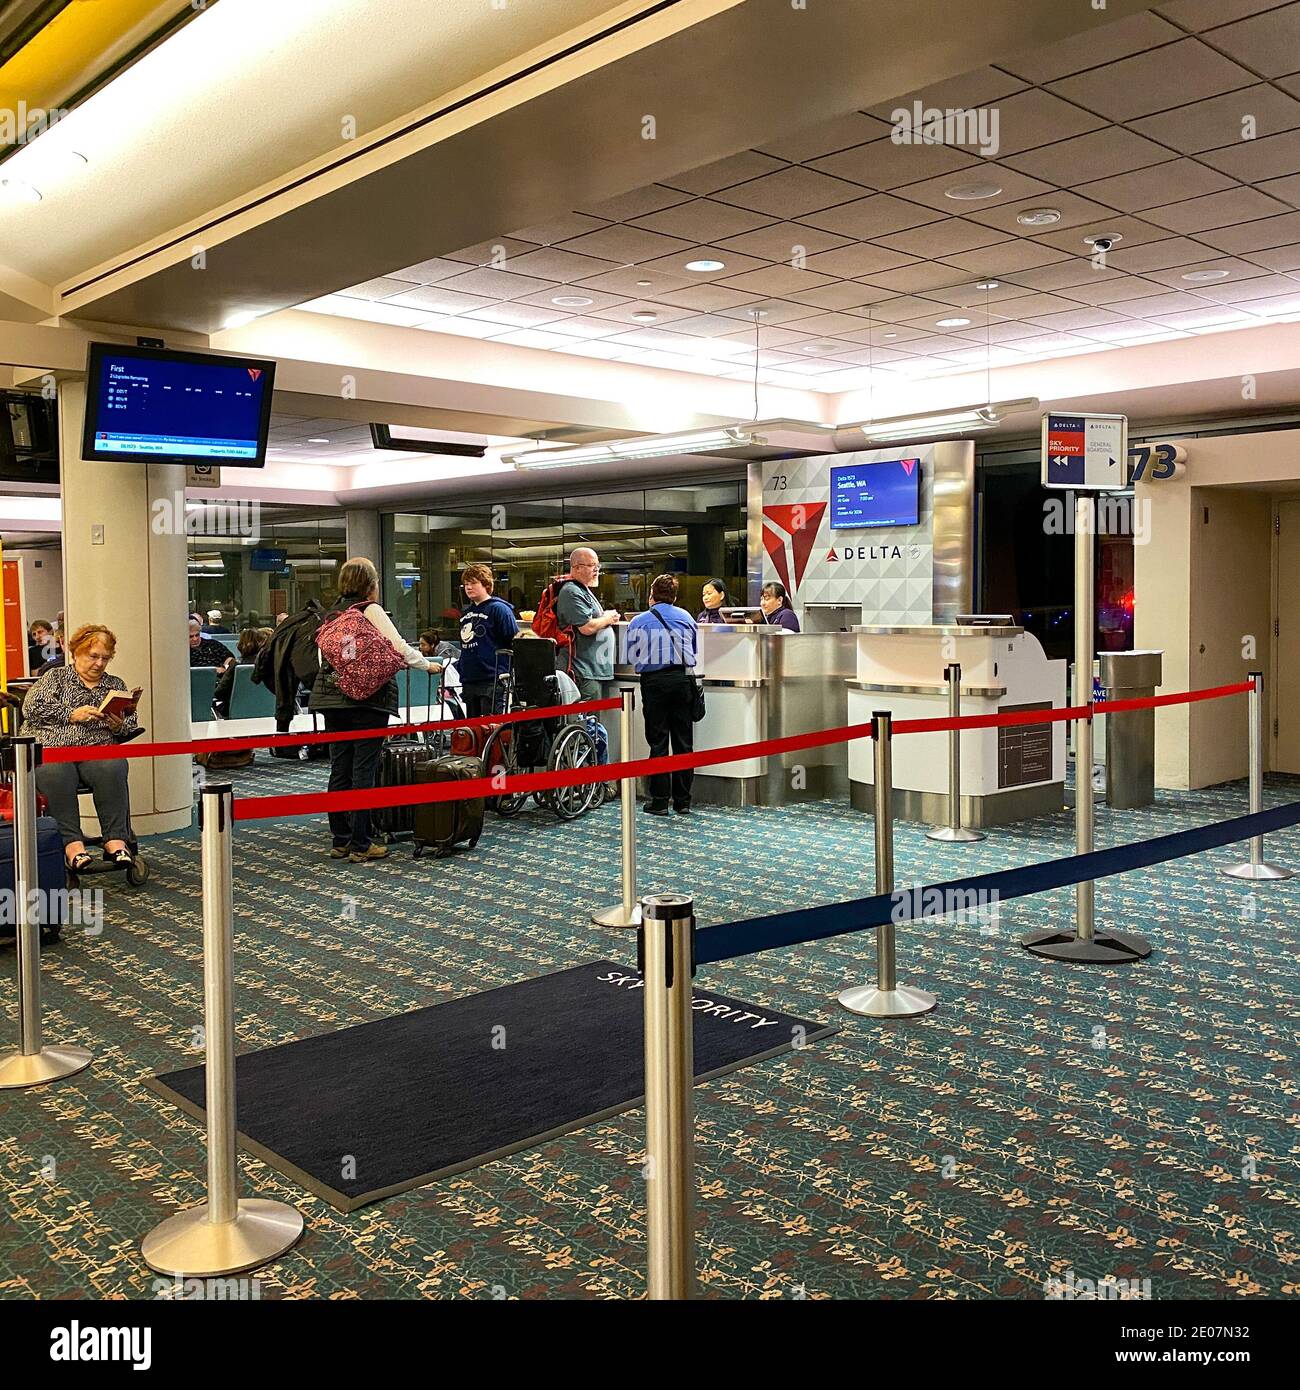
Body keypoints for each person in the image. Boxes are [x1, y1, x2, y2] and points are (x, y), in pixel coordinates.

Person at [308, 557, 441, 864]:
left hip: (331, 698)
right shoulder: (369, 610)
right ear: (371, 584)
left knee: (339, 769)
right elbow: (399, 647)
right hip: (367, 701)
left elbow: (322, 660)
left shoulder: (331, 614)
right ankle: (361, 843)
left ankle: (340, 840)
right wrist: (428, 666)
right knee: (363, 770)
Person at [23, 624, 140, 871]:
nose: (98, 663)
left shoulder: (114, 683)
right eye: (93, 656)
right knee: (55, 774)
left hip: (96, 750)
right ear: (76, 653)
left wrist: (119, 725)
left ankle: (116, 840)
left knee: (114, 766)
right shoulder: (55, 677)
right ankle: (72, 845)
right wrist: (71, 714)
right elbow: (31, 708)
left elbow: (130, 725)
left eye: (104, 658)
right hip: (55, 748)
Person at [627, 574, 698, 815]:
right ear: (674, 596)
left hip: (654, 683)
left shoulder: (638, 621)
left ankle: (659, 802)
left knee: (658, 742)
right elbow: (694, 649)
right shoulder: (686, 617)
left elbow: (633, 656)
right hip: (681, 680)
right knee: (683, 743)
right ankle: (683, 802)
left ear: (651, 595)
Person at [556, 547, 621, 798]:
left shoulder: (584, 592)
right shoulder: (571, 591)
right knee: (588, 727)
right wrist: (609, 618)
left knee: (592, 727)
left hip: (594, 670)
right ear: (576, 568)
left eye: (597, 564)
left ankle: (591, 781)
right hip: (582, 671)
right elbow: (586, 627)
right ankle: (592, 783)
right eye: (592, 565)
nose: (596, 569)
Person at [457, 564, 518, 717]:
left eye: (473, 583)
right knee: (472, 728)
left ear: (486, 584)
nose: (468, 587)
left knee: (490, 726)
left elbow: (513, 641)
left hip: (492, 677)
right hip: (470, 677)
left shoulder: (499, 609)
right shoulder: (466, 612)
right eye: (466, 584)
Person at [213, 627, 272, 718]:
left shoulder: (237, 666)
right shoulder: (273, 664)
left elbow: (220, 693)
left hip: (237, 713)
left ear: (240, 645)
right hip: (270, 712)